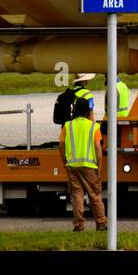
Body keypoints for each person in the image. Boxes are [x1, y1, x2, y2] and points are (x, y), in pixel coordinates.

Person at [60, 97, 106, 232]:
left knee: (77, 195)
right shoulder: (94, 127)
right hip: (89, 166)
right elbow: (98, 148)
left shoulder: (67, 126)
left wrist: (65, 162)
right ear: (88, 111)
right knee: (95, 194)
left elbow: (61, 145)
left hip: (72, 166)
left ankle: (79, 225)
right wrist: (99, 166)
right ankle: (101, 223)